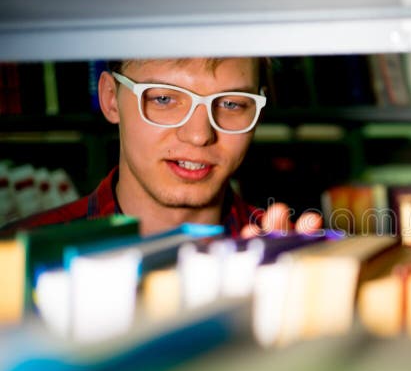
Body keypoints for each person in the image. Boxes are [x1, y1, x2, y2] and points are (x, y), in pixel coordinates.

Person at [2, 57, 321, 237]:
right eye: (164, 99)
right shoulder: (16, 255)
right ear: (111, 99)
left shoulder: (286, 253)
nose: (199, 135)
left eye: (232, 104)